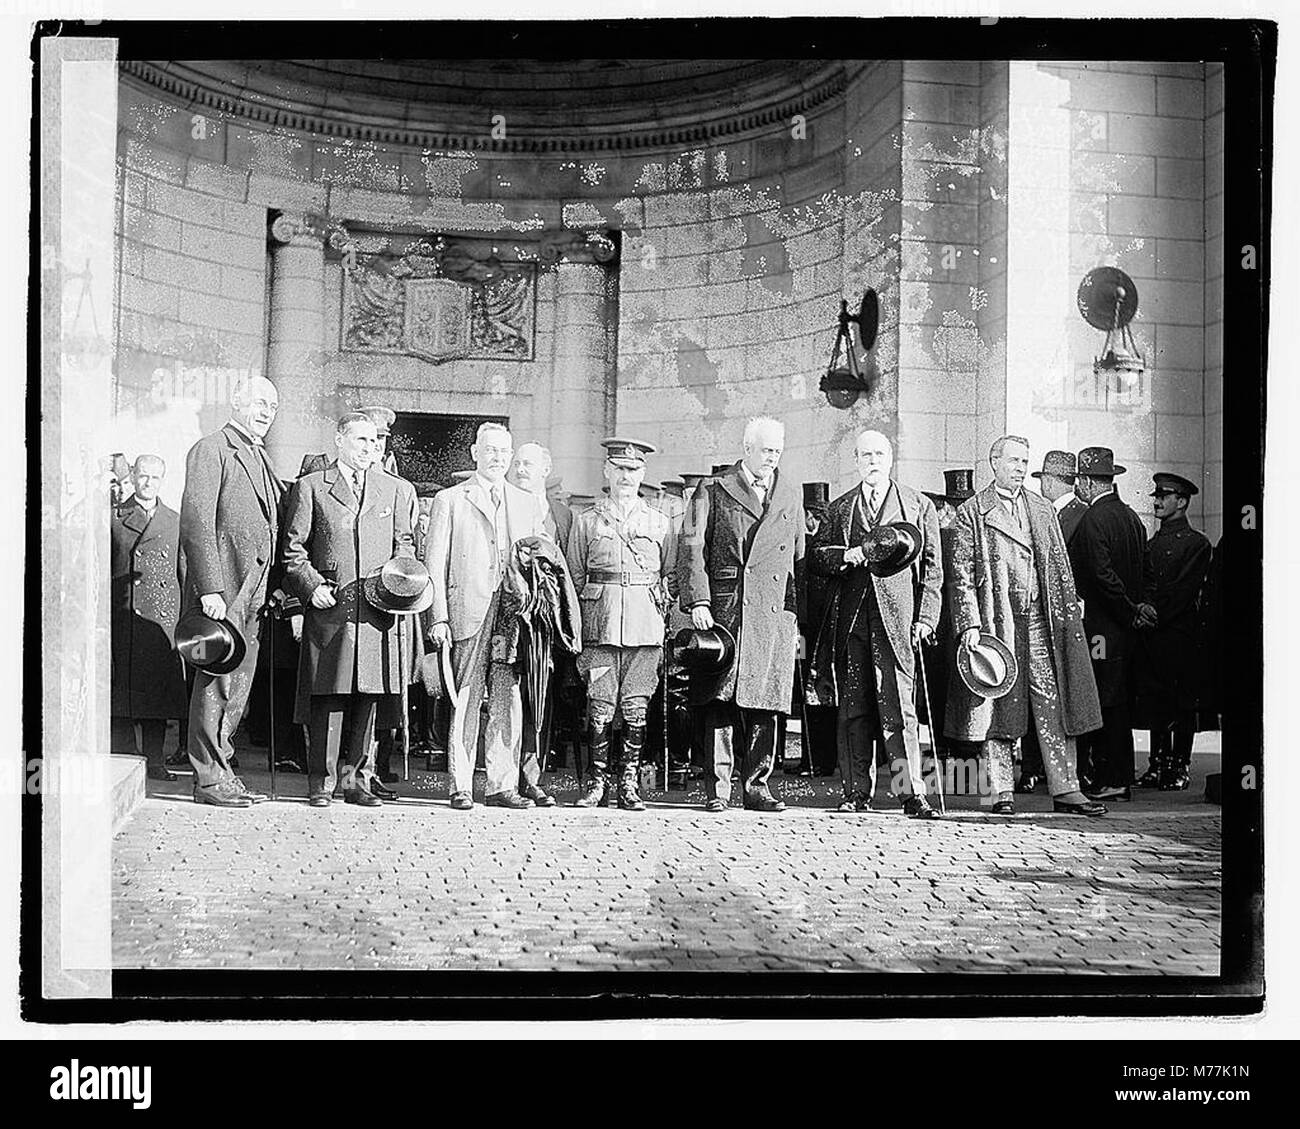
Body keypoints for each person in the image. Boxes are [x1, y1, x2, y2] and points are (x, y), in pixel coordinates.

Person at [945, 436, 1106, 816]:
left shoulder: (1041, 507)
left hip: (1041, 619)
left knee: (1054, 699)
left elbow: (1059, 565)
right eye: (1014, 461)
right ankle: (1001, 791)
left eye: (1025, 461)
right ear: (994, 462)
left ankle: (1066, 788)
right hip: (996, 619)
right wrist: (970, 623)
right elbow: (961, 575)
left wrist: (1068, 607)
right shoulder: (972, 511)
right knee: (999, 699)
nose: (1020, 468)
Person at [282, 412, 418, 808]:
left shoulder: (392, 490)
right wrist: (311, 587)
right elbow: (292, 550)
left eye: (374, 441)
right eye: (360, 440)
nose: (368, 448)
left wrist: (397, 581)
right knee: (329, 696)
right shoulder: (312, 487)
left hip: (377, 612)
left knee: (368, 696)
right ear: (339, 440)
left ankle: (358, 778)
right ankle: (320, 782)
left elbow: (404, 544)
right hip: (331, 609)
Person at [807, 430, 943, 818]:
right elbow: (817, 558)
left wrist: (926, 618)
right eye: (865, 454)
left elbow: (933, 571)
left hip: (898, 622)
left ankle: (911, 792)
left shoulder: (917, 505)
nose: (873, 461)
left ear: (891, 457)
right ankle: (855, 792)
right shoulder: (839, 509)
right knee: (853, 708)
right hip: (852, 622)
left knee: (900, 708)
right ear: (856, 459)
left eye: (879, 453)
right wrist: (845, 556)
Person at [677, 417, 804, 813]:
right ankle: (718, 788)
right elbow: (691, 547)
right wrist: (698, 601)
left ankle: (758, 787)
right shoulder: (711, 489)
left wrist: (796, 618)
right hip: (728, 605)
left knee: (766, 700)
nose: (773, 457)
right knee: (722, 699)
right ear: (747, 448)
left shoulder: (790, 492)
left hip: (773, 608)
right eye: (766, 450)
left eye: (778, 450)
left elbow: (797, 558)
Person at [424, 422, 546, 810]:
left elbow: (540, 561)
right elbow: (435, 564)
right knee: (466, 695)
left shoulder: (526, 503)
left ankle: (500, 783)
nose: (497, 458)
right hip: (468, 608)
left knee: (508, 697)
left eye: (503, 452)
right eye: (490, 450)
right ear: (475, 453)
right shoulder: (452, 499)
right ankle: (460, 783)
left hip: (512, 613)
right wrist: (438, 617)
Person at [179, 376, 283, 808]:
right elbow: (196, 520)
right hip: (225, 592)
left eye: (272, 407)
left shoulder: (259, 457)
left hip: (253, 593)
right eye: (259, 402)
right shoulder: (213, 449)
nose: (266, 411)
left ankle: (223, 771)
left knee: (237, 686)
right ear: (236, 402)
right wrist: (211, 589)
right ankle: (208, 778)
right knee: (216, 682)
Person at [565, 438, 677, 810]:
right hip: (601, 624)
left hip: (645, 626)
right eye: (619, 469)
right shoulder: (587, 521)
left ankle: (628, 785)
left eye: (633, 470)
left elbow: (671, 576)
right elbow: (576, 575)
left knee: (635, 707)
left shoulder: (660, 523)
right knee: (599, 705)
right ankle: (596, 784)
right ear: (607, 472)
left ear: (643, 474)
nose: (626, 476)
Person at [1069, 446, 1155, 801]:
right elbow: (1147, 569)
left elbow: (1102, 579)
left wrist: (1128, 609)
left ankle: (1114, 777)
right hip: (1127, 630)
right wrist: (1142, 606)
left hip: (1103, 630)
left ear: (1089, 482)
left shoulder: (1092, 521)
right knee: (1118, 701)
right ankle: (1118, 775)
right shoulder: (1132, 518)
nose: (1079, 488)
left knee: (1105, 701)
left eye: (1080, 481)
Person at [110, 455, 188, 781]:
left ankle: (155, 762)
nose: (148, 483)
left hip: (160, 620)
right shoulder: (113, 518)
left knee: (157, 696)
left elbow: (184, 570)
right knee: (123, 694)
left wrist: (185, 618)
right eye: (143, 476)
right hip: (123, 617)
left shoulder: (174, 520)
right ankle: (126, 760)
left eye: (155, 478)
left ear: (162, 480)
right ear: (133, 477)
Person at [1134, 473, 1213, 790]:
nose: (1156, 501)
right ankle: (1157, 764)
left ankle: (1178, 765)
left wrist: (1154, 614)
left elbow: (1184, 590)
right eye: (1156, 496)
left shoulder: (1197, 544)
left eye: (1164, 497)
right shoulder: (1152, 543)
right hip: (1154, 634)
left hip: (1179, 634)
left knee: (1180, 702)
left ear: (1181, 502)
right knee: (1156, 700)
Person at [359, 404, 419, 797]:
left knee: (390, 688)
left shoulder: (402, 488)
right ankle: (354, 767)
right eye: (370, 437)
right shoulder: (326, 476)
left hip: (392, 602)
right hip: (354, 603)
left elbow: (409, 545)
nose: (377, 445)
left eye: (382, 439)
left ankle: (377, 766)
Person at [509, 442, 576, 773]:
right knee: (507, 694)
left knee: (543, 697)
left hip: (547, 624)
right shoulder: (503, 502)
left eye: (528, 464)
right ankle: (504, 772)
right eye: (517, 463)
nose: (521, 470)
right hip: (509, 616)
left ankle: (532, 773)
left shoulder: (562, 515)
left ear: (545, 470)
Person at [1032, 450, 1088, 545]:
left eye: (1042, 481)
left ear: (1049, 482)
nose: (1040, 487)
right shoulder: (1085, 512)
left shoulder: (1054, 514)